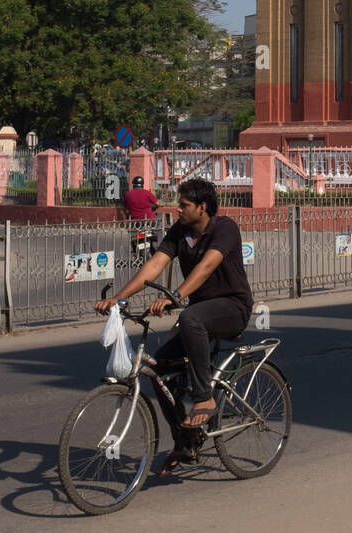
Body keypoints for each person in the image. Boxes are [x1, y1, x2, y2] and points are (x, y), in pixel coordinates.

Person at [95, 177, 253, 475]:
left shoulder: (224, 228)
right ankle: (185, 441)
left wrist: (175, 296)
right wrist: (118, 297)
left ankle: (203, 397)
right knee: (159, 372)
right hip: (201, 311)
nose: (177, 209)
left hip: (233, 307)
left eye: (184, 205)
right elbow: (154, 264)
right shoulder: (180, 232)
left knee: (191, 317)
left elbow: (207, 265)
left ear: (202, 207)